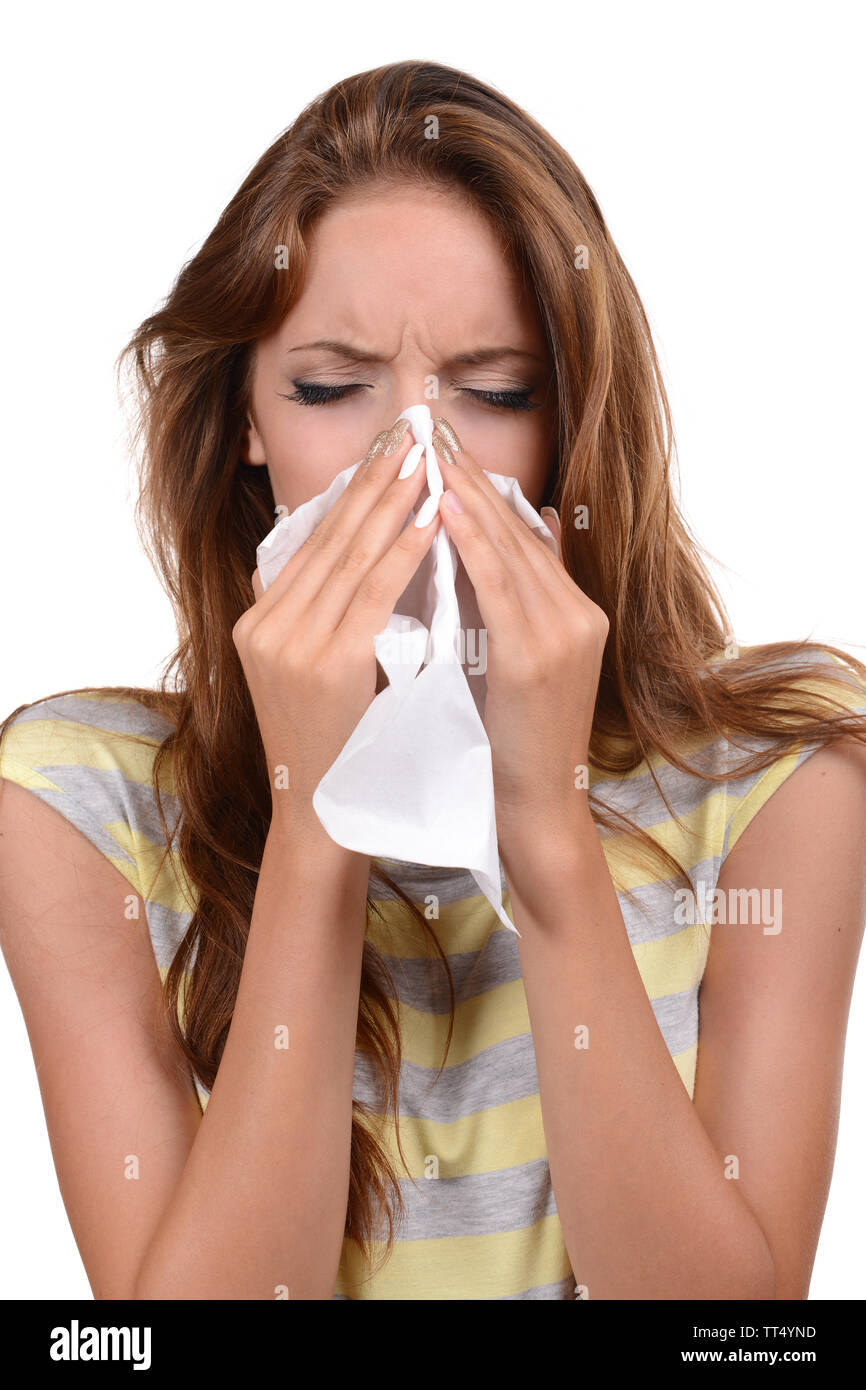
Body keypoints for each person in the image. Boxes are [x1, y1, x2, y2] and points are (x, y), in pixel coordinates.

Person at [2, 59, 866, 1302]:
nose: (412, 464)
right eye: (330, 388)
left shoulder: (780, 782)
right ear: (246, 416)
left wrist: (545, 826)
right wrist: (315, 812)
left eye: (496, 392)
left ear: (570, 418)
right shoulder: (79, 807)